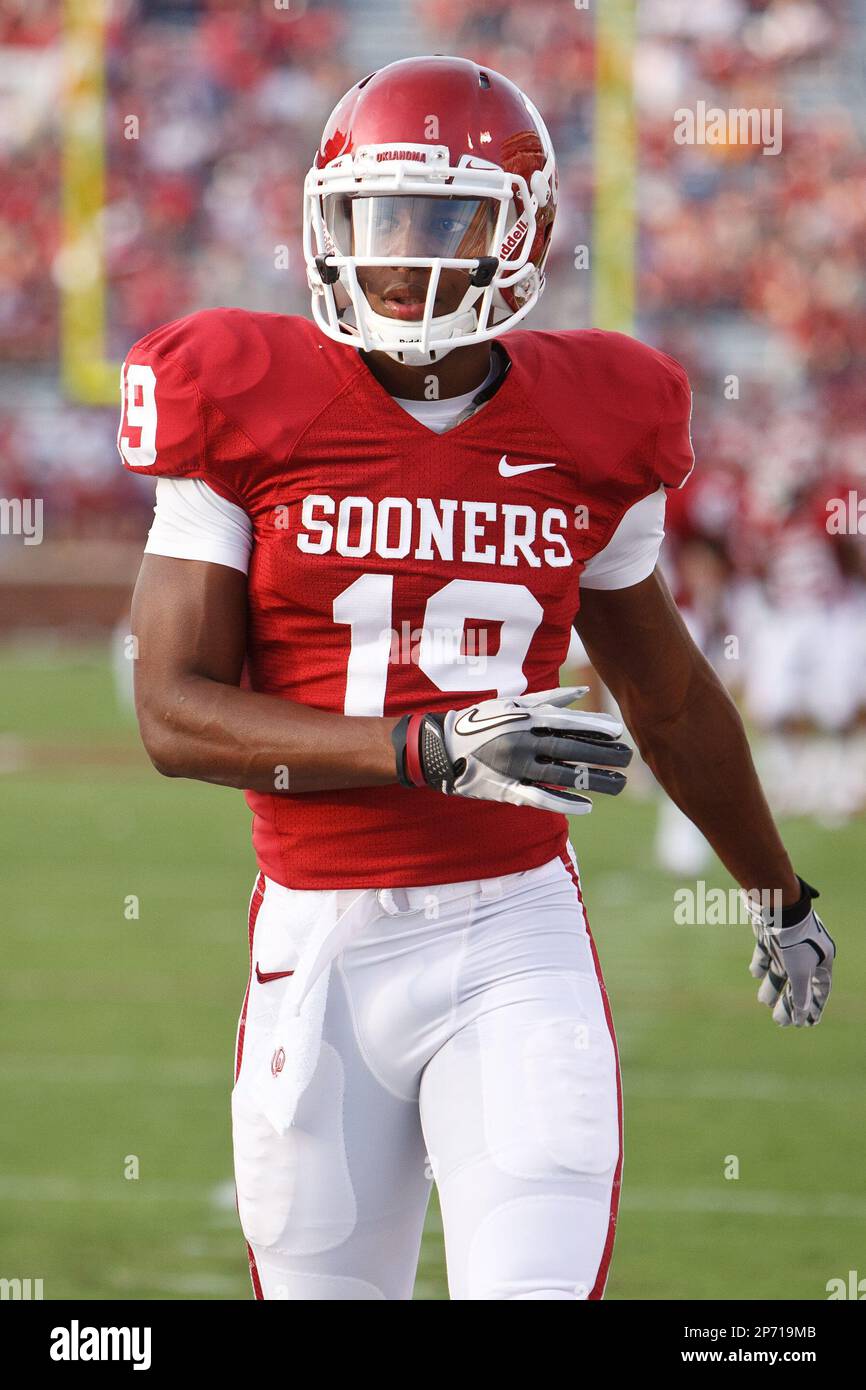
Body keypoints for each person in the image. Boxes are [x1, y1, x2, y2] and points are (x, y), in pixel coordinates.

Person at [118, 56, 835, 1301]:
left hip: (512, 927)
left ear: (519, 232)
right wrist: (429, 747)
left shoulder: (595, 419)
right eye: (374, 218)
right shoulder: (238, 395)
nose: (401, 256)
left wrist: (773, 891)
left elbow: (664, 697)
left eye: (441, 219)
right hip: (317, 938)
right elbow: (170, 712)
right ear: (323, 223)